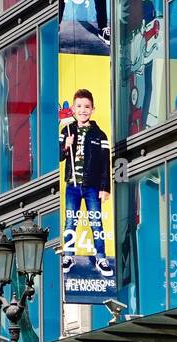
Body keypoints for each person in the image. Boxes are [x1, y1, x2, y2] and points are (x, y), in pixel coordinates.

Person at [59, 87, 113, 277]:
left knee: (96, 222)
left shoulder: (100, 135)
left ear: (93, 109)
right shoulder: (67, 130)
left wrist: (105, 188)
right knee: (70, 221)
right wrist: (66, 145)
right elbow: (58, 156)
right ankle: (68, 254)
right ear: (73, 109)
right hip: (72, 185)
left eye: (87, 107)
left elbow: (106, 163)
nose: (83, 110)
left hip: (91, 186)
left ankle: (100, 256)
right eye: (79, 106)